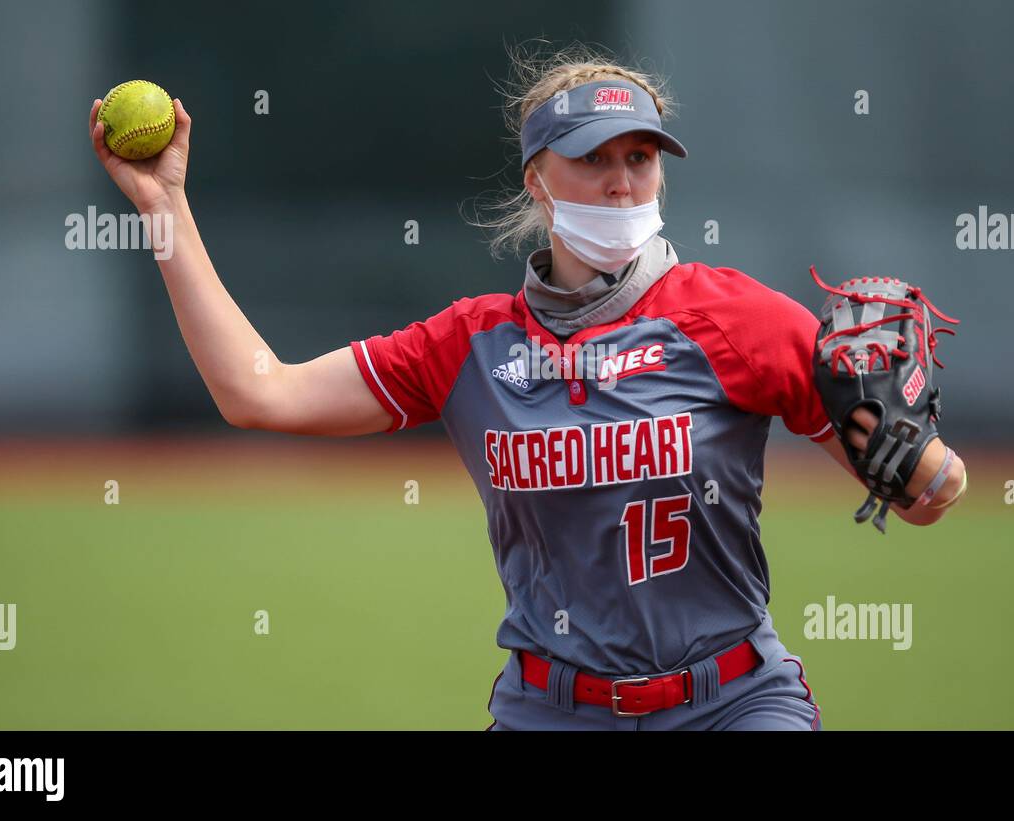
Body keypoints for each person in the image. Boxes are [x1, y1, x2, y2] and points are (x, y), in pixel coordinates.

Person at [88, 44, 967, 730]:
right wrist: (167, 212)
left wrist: (930, 469)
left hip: (734, 704)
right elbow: (260, 394)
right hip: (553, 709)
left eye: (642, 157)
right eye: (594, 159)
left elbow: (929, 495)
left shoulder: (736, 316)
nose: (623, 180)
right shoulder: (470, 344)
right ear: (539, 182)